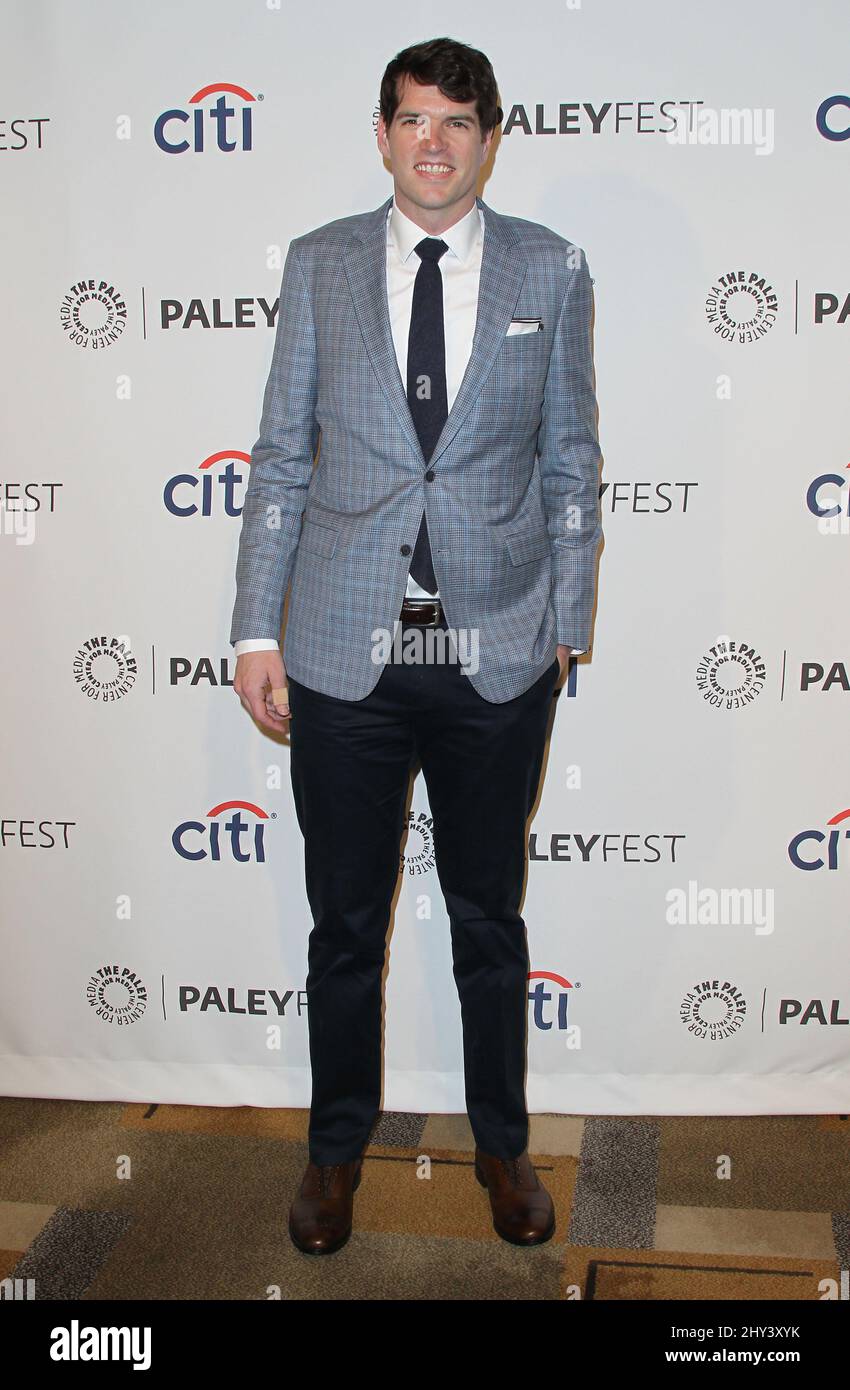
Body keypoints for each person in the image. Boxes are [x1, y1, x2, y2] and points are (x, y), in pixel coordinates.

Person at [230, 35, 602, 1255]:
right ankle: (335, 1152)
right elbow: (282, 457)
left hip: (496, 657)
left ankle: (502, 1145)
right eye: (410, 119)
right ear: (380, 135)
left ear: (492, 136)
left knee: (488, 917)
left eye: (457, 120)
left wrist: (567, 625)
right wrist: (252, 627)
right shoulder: (321, 265)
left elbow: (571, 459)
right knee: (345, 923)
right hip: (344, 652)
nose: (432, 142)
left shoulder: (551, 269)